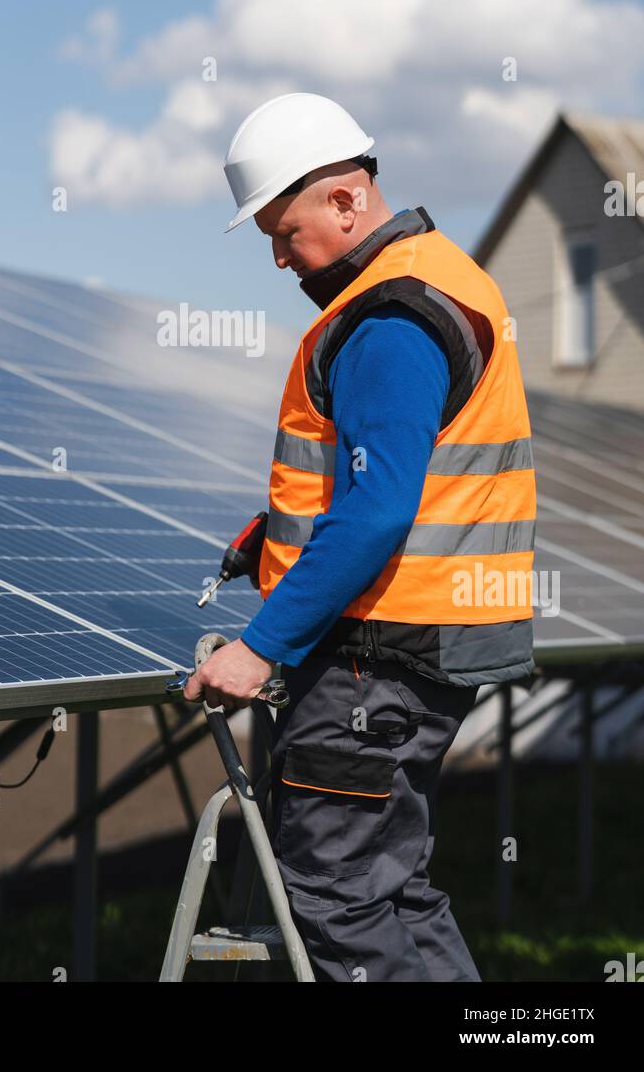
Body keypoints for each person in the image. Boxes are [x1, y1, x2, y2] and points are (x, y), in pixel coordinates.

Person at [183, 92, 536, 982]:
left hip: (374, 660)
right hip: (429, 646)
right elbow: (410, 480)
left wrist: (261, 648)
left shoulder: (390, 317)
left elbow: (379, 510)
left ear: (347, 201)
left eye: (284, 231)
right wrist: (278, 533)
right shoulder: (450, 275)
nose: (276, 258)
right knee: (392, 887)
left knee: (331, 889)